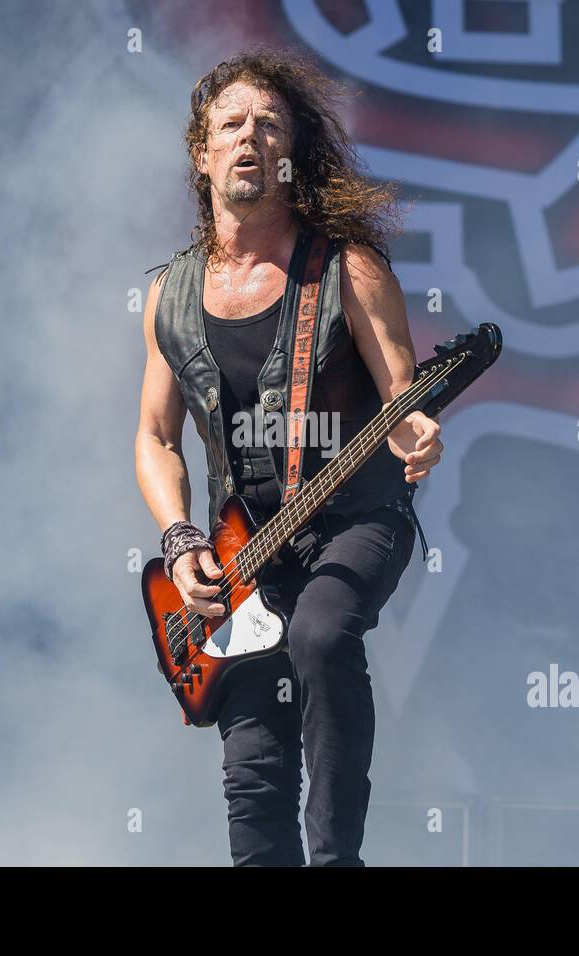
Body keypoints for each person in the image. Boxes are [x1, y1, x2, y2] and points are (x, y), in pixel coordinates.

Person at [134, 48, 443, 866]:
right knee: (253, 775)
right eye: (230, 125)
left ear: (292, 153)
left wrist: (417, 434)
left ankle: (339, 858)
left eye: (269, 126)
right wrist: (180, 539)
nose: (250, 139)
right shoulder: (171, 294)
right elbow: (156, 437)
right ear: (201, 155)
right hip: (240, 555)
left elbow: (404, 393)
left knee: (321, 636)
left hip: (355, 518)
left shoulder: (349, 268)